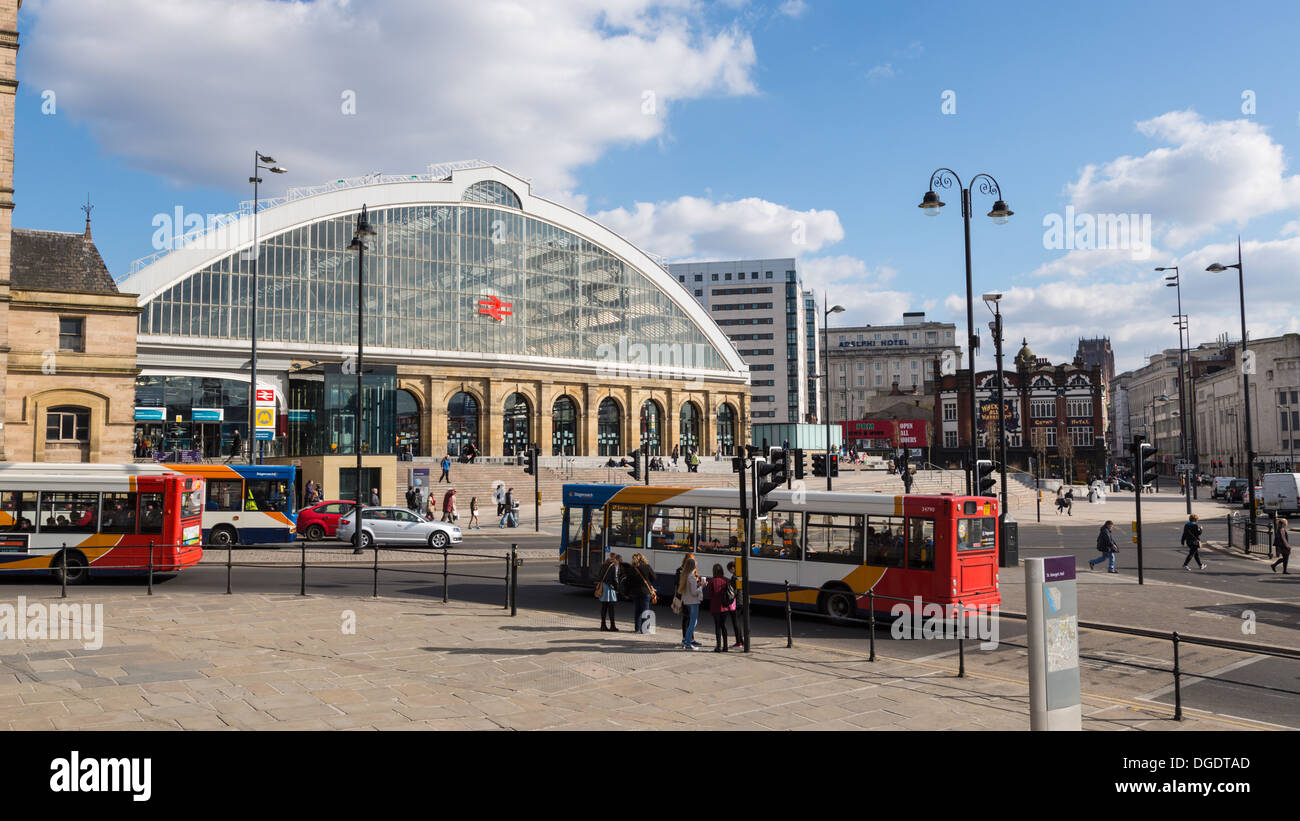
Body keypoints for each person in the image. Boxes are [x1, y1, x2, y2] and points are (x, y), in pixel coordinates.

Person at [676, 556, 704, 650]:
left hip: (686, 601)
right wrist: (702, 586)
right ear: (693, 566)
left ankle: (686, 640)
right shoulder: (691, 576)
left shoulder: (684, 575)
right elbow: (694, 592)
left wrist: (698, 585)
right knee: (693, 622)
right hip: (693, 602)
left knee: (692, 622)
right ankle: (688, 642)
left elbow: (688, 589)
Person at [706, 563, 734, 652]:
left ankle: (718, 647)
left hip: (715, 607)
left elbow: (710, 595)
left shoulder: (712, 581)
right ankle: (725, 647)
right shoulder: (727, 580)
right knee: (723, 625)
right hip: (725, 606)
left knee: (717, 626)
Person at [630, 553, 656, 633]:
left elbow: (629, 581)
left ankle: (637, 628)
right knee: (645, 611)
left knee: (637, 611)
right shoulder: (647, 567)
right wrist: (649, 583)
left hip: (635, 592)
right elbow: (654, 577)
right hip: (645, 592)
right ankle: (644, 629)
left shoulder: (633, 568)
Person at [596, 553, 622, 631]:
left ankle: (603, 625)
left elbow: (599, 576)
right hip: (610, 588)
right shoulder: (614, 566)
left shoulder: (604, 564)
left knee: (604, 607)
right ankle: (612, 626)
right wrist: (617, 589)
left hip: (603, 587)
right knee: (611, 608)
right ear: (617, 560)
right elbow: (615, 579)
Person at [726, 561, 745, 649]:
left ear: (732, 568)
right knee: (738, 622)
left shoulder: (734, 577)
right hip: (742, 601)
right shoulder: (741, 576)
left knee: (736, 622)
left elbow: (734, 591)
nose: (730, 572)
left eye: (729, 570)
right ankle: (741, 641)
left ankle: (739, 642)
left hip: (736, 603)